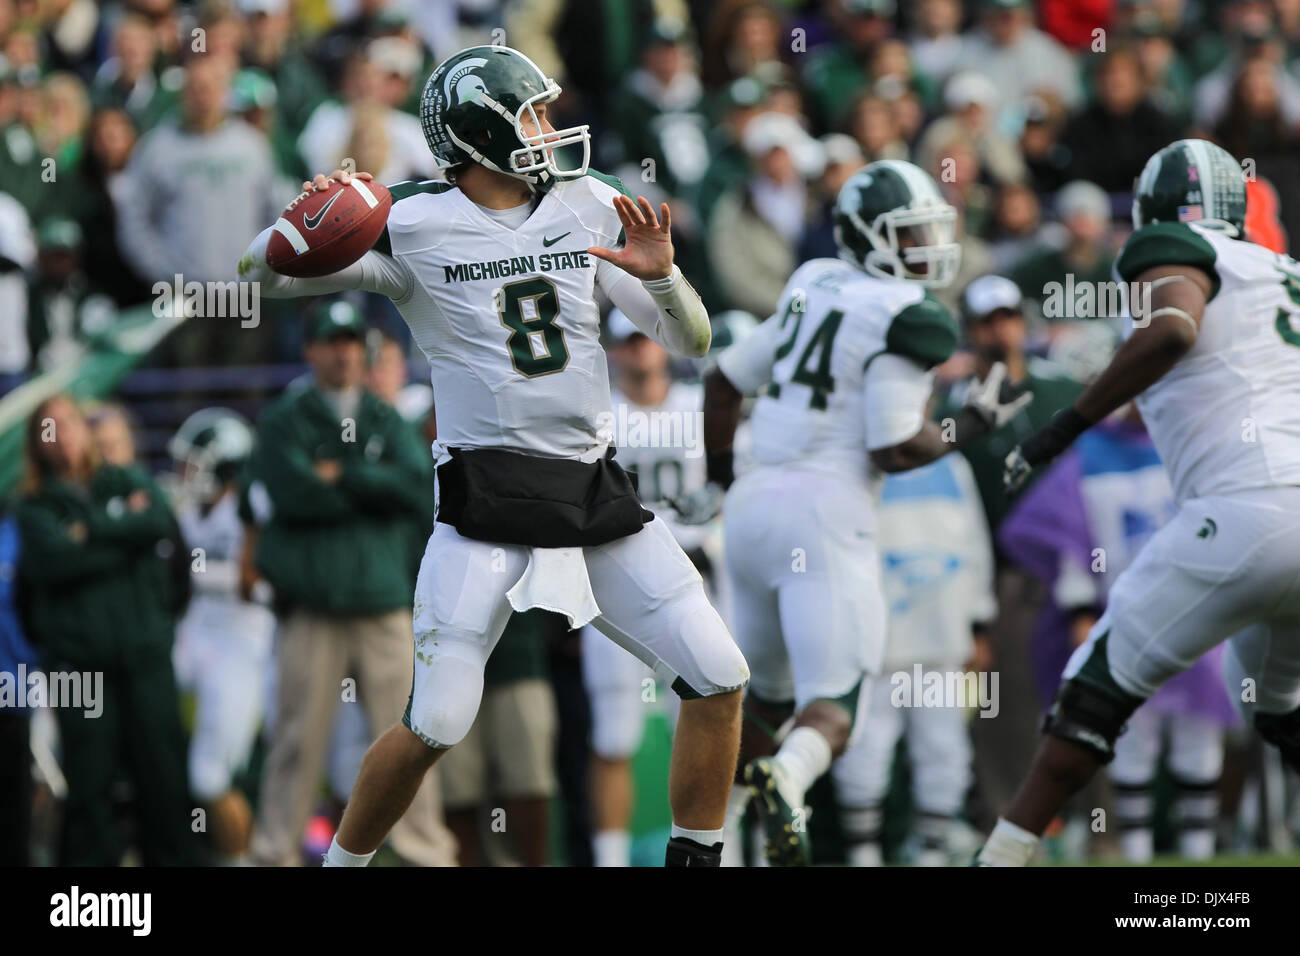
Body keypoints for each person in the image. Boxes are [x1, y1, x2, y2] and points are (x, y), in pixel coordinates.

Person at [237, 44, 749, 868]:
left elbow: (692, 337)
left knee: (720, 676)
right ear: (481, 132)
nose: (548, 128)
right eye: (532, 114)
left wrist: (661, 280)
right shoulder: (410, 220)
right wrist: (298, 226)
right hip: (486, 509)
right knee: (436, 722)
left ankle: (696, 858)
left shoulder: (588, 202)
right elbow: (258, 275)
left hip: (593, 495)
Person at [684, 159, 1030, 865]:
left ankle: (720, 842)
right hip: (827, 509)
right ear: (865, 236)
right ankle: (790, 776)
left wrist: (721, 483)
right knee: (835, 708)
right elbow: (894, 448)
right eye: (908, 234)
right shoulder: (908, 315)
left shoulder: (814, 279)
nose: (925, 247)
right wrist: (973, 424)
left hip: (752, 505)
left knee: (766, 702)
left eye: (928, 230)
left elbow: (721, 383)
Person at [978, 139, 1300, 866]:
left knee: (1092, 688)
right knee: (1277, 707)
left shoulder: (1171, 248)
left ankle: (998, 858)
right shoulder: (1285, 273)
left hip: (1245, 508)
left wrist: (1061, 428)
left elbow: (1173, 328)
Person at [246, 300, 454, 867]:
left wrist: (344, 473)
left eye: (350, 341)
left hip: (383, 602)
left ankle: (423, 853)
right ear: (310, 349)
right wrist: (368, 485)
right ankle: (275, 854)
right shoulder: (286, 418)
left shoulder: (387, 417)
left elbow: (414, 488)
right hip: (313, 607)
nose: (342, 352)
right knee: (295, 743)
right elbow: (294, 494)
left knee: (413, 738)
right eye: (330, 341)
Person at [15, 394, 197, 865]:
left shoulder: (128, 479)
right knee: (89, 788)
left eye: (70, 422)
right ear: (38, 443)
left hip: (145, 659)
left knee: (164, 782)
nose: (64, 435)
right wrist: (121, 530)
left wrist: (86, 532)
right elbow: (54, 563)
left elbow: (158, 522)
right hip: (80, 666)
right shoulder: (33, 507)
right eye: (49, 427)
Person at [834, 451, 995, 867]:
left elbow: (974, 542)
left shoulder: (952, 466)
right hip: (875, 644)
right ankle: (863, 854)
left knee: (944, 750)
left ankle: (932, 853)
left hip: (940, 640)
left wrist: (978, 621)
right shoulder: (851, 464)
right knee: (865, 750)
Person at [169, 408, 276, 865]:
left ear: (225, 466)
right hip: (192, 638)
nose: (184, 473)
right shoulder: (188, 512)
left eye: (194, 463)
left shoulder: (251, 511)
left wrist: (191, 574)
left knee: (211, 777)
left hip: (241, 647)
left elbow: (260, 583)